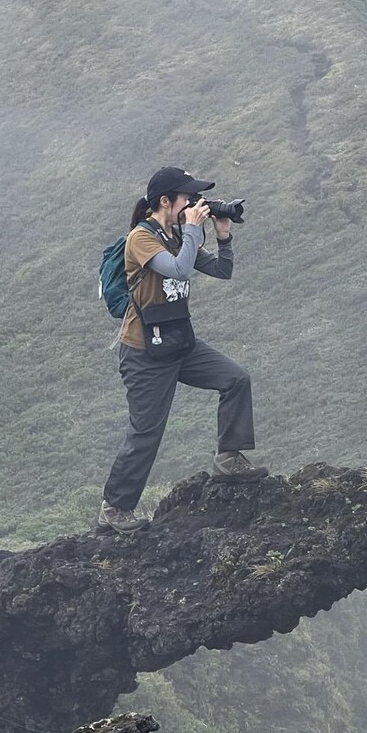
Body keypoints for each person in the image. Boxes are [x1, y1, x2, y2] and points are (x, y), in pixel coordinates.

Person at [99, 166, 269, 532]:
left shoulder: (177, 235)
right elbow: (178, 271)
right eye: (187, 198)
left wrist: (223, 237)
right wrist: (193, 228)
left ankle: (228, 457)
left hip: (178, 341)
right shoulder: (141, 239)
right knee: (146, 431)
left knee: (235, 379)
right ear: (165, 201)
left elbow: (222, 271)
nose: (194, 203)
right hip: (144, 352)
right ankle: (115, 508)